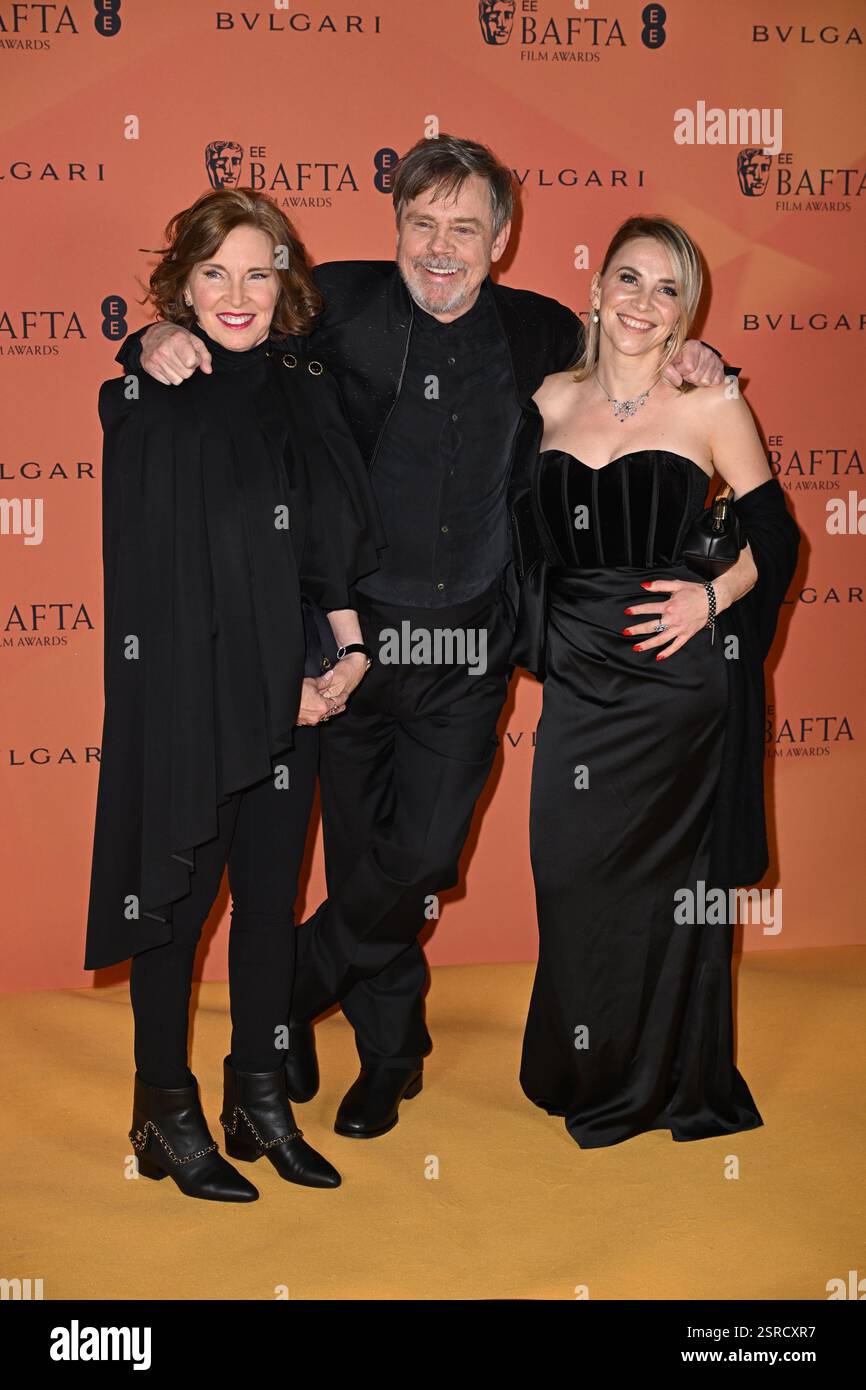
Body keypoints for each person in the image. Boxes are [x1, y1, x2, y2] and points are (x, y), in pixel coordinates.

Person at [118, 135, 744, 1141]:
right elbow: (222, 310)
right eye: (422, 223)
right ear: (396, 228)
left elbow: (629, 355)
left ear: (501, 239)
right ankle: (390, 1055)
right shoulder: (336, 306)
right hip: (352, 641)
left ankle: (281, 999)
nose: (440, 246)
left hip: (467, 647)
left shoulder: (539, 331)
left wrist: (694, 353)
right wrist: (145, 342)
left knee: (412, 859)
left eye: (465, 227)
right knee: (365, 852)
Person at [84, 188, 384, 1200]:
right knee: (175, 905)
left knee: (267, 907)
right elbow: (163, 576)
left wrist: (346, 649)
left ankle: (258, 1101)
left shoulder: (304, 382)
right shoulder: (155, 390)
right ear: (181, 284)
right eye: (215, 273)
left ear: (285, 281)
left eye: (258, 271)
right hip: (199, 695)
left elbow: (327, 538)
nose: (238, 293)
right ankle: (162, 1110)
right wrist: (144, 344)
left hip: (300, 682)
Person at [511, 215, 799, 1146]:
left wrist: (710, 602)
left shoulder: (713, 405)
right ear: (595, 290)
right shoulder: (545, 401)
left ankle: (661, 1081)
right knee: (569, 873)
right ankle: (587, 1061)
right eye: (629, 280)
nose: (643, 302)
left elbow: (776, 538)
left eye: (667, 289)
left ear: (686, 314)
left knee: (668, 891)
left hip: (676, 685)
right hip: (578, 682)